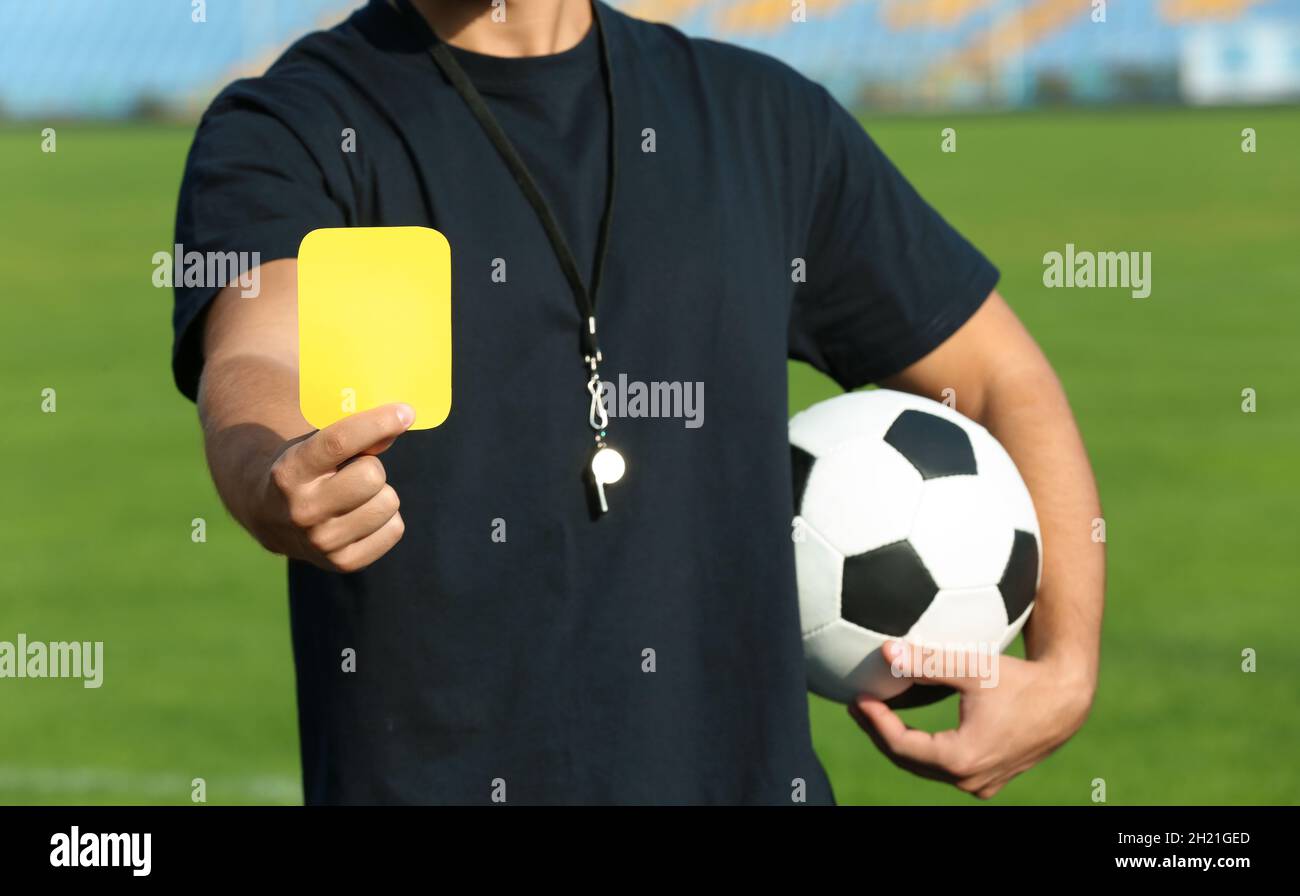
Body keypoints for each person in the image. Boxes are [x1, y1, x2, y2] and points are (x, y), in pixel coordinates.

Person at [172, 0, 1103, 804]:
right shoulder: (295, 125)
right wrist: (269, 469)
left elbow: (995, 377)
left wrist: (1065, 666)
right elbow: (256, 355)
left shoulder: (763, 121)